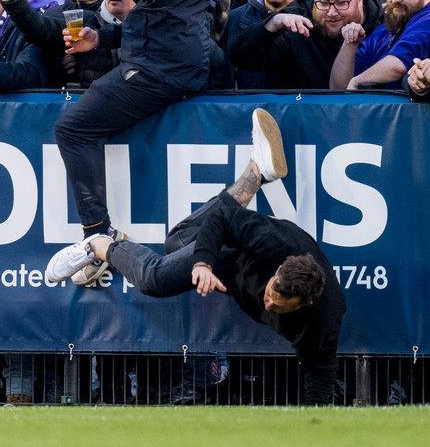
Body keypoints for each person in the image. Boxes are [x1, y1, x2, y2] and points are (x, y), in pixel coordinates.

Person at [73, 116, 345, 405]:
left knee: (177, 240)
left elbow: (320, 376)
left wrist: (315, 425)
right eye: (270, 293)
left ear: (305, 304)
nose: (268, 304)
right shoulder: (272, 243)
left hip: (239, 267)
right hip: (240, 253)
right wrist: (203, 264)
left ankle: (257, 173)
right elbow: (223, 219)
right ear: (278, 269)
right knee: (155, 279)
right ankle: (102, 246)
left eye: (278, 306)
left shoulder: (323, 316)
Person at [45, 0, 213, 282]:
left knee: (72, 129)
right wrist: (99, 39)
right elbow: (156, 23)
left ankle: (98, 240)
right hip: (161, 63)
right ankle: (101, 238)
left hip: (162, 71)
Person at [229, 0, 381, 90]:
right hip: (304, 117)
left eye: (341, 3)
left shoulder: (380, 26)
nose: (331, 12)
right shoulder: (296, 23)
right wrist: (272, 24)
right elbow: (242, 59)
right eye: (323, 2)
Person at [332, 0, 430, 89]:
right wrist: (350, 44)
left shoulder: (427, 16)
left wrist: (356, 82)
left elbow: (397, 66)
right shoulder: (384, 30)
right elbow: (338, 88)